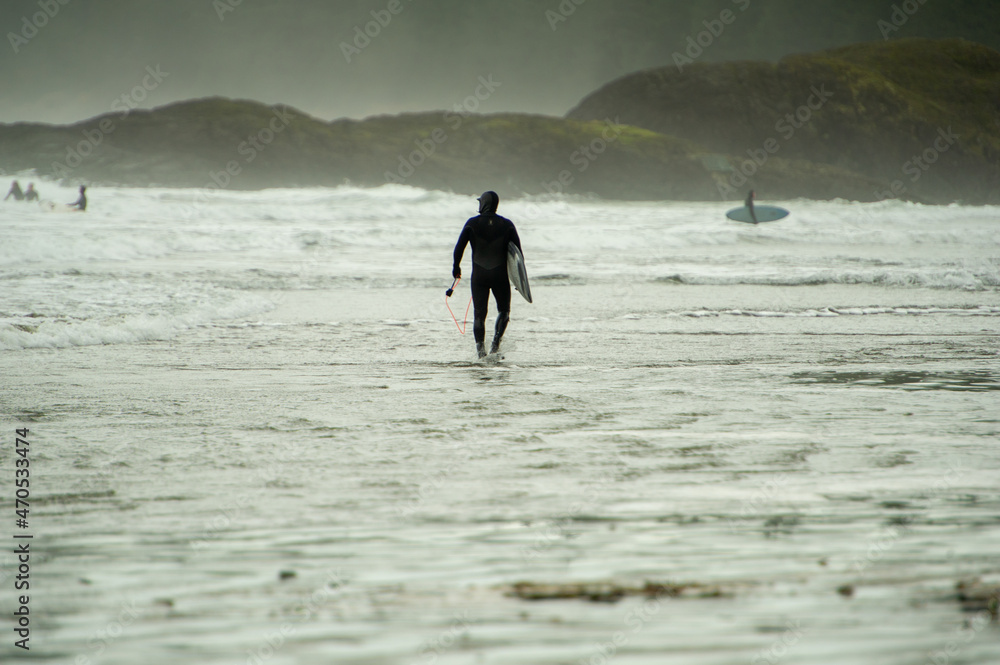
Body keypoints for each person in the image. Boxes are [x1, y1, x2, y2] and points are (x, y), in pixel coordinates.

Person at [452, 191, 523, 358]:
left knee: (479, 313)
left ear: (483, 203)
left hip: (479, 276)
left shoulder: (472, 223)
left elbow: (459, 248)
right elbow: (518, 254)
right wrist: (519, 280)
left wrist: (456, 268)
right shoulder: (507, 225)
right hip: (500, 276)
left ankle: (480, 352)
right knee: (504, 311)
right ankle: (495, 345)